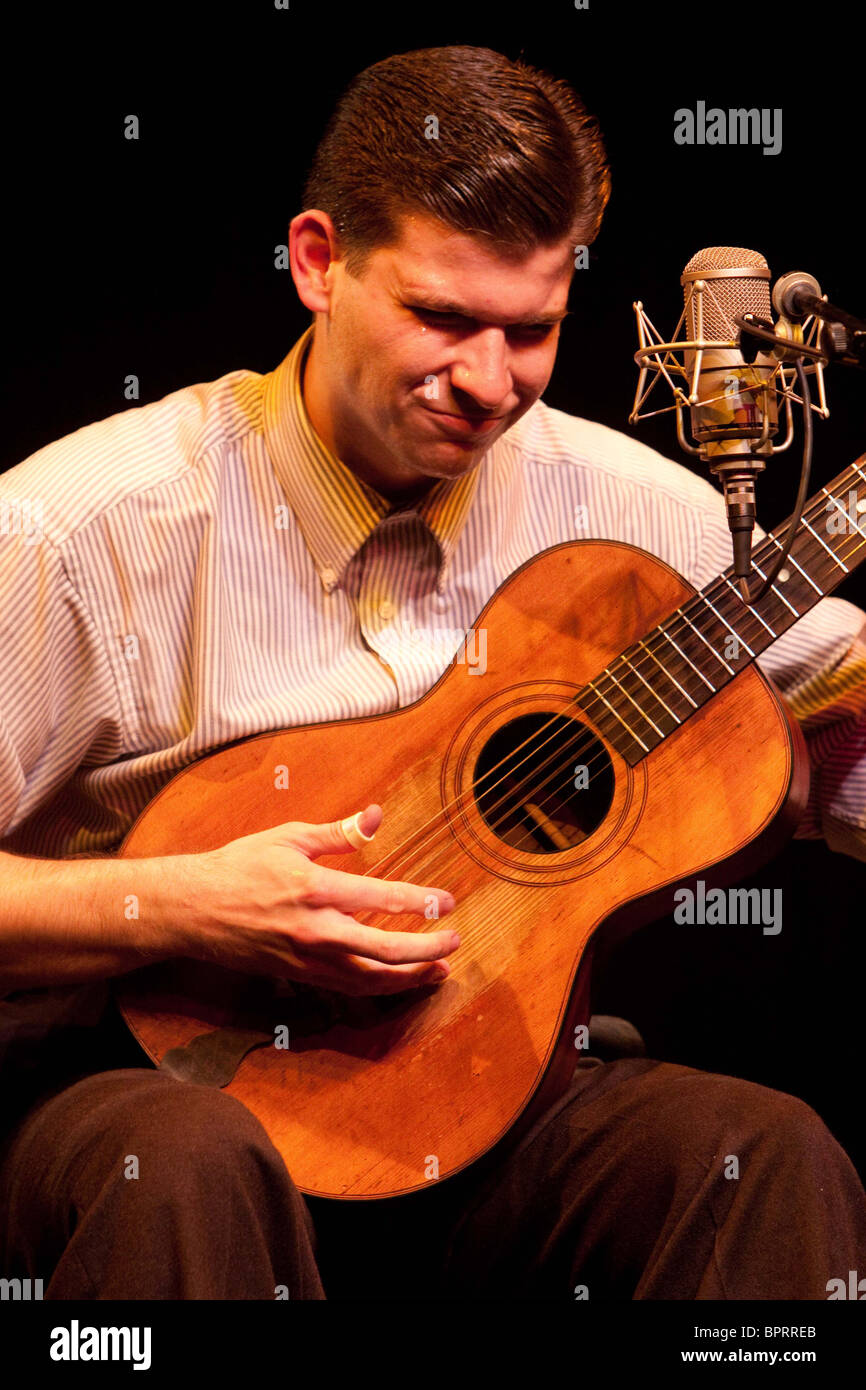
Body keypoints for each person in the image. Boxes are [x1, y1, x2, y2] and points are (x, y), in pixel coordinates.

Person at [1, 44, 865, 1301]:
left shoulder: (631, 518)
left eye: (532, 331)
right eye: (440, 318)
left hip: (491, 1107)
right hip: (148, 1092)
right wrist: (187, 902)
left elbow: (841, 739)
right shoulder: (77, 531)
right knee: (182, 1163)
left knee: (754, 1153)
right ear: (314, 262)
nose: (487, 381)